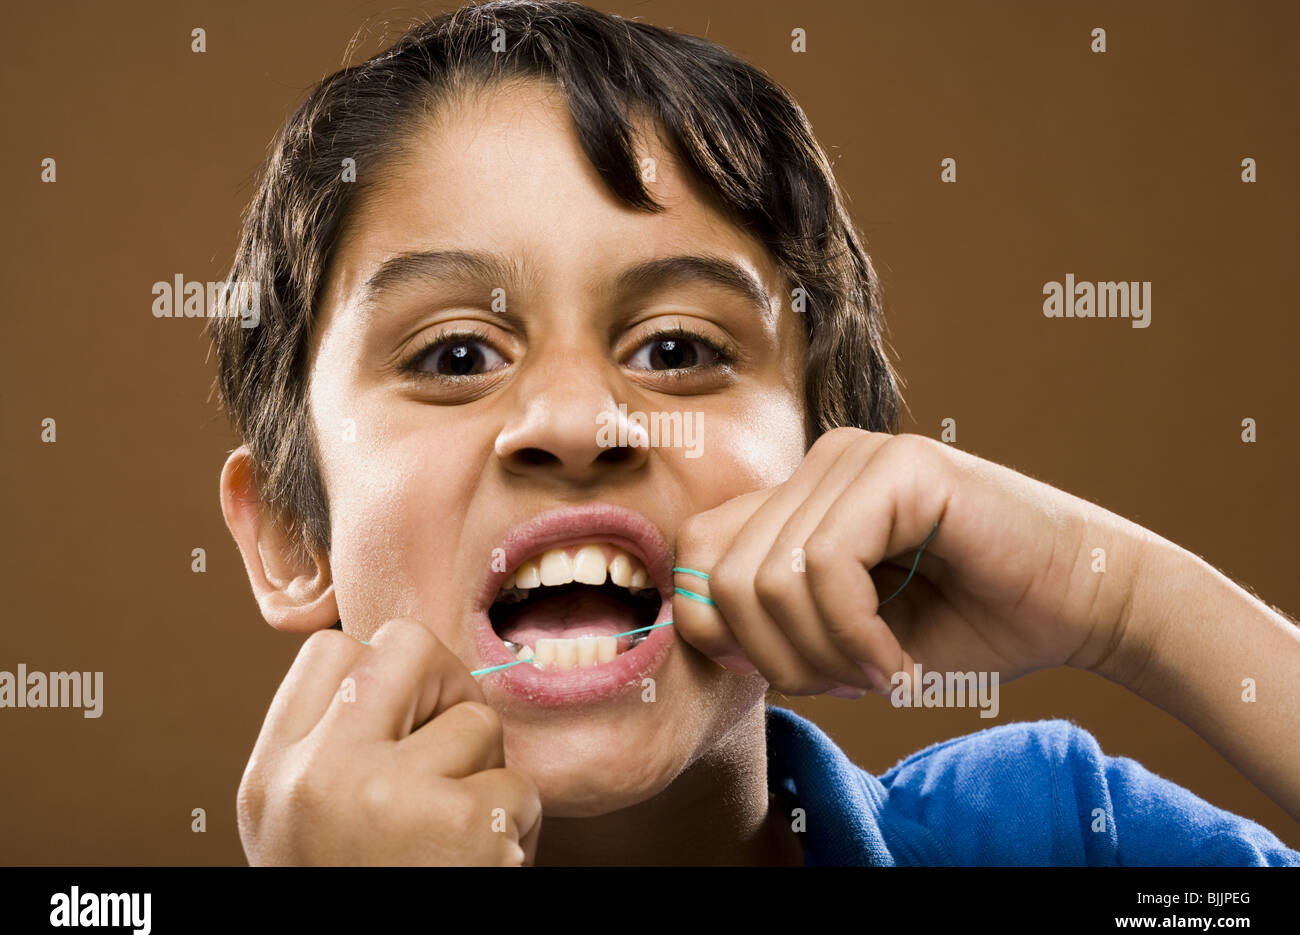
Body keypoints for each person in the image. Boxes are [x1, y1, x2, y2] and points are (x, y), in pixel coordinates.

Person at [208, 0, 1300, 865]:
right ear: (294, 532)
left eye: (676, 349)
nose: (582, 423)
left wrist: (1122, 603)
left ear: (839, 476)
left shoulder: (1056, 836)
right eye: (455, 356)